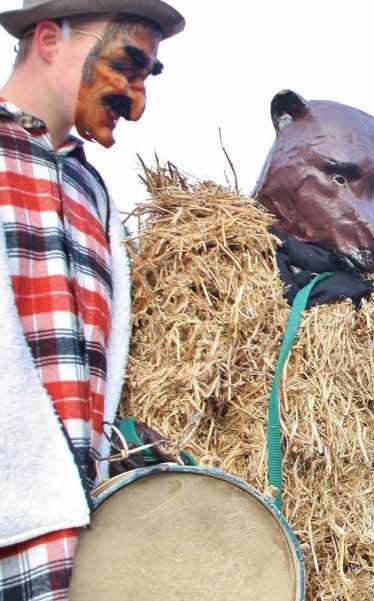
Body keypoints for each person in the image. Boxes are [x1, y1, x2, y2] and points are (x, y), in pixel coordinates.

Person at [0, 1, 183, 598]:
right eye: (126, 65)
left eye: (147, 76)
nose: (137, 100)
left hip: (70, 527)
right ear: (49, 40)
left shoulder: (91, 189)